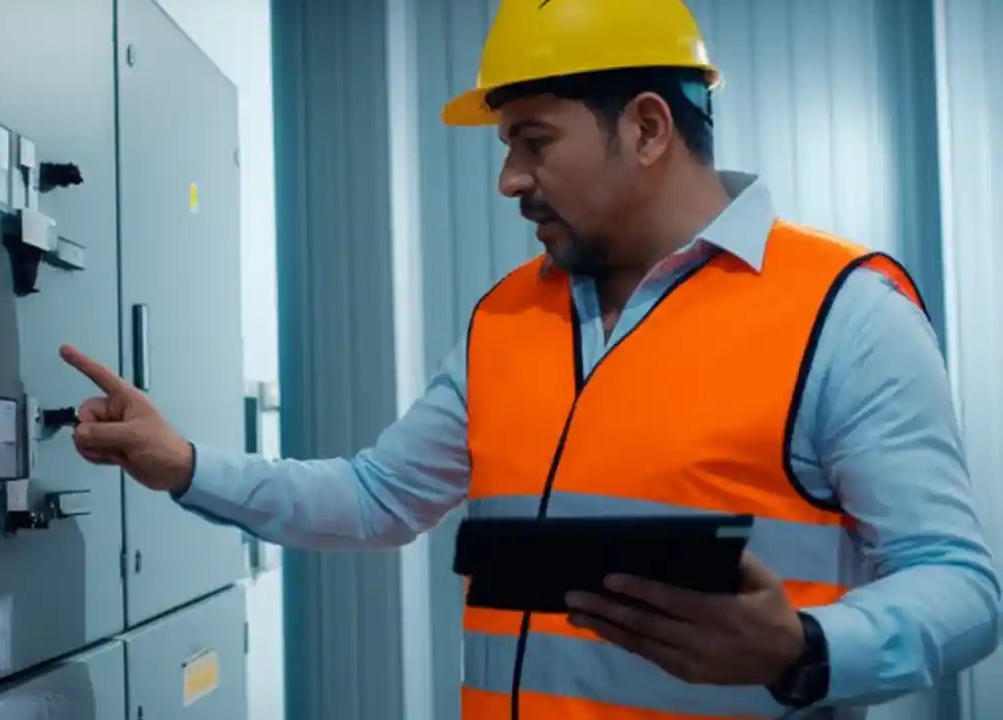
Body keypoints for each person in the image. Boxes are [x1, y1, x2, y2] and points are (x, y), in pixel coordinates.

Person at [59, 0, 1001, 717]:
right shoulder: (505, 318)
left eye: (532, 141)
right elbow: (378, 498)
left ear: (645, 127)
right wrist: (182, 464)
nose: (510, 178)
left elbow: (960, 583)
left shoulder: (844, 311)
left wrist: (803, 646)